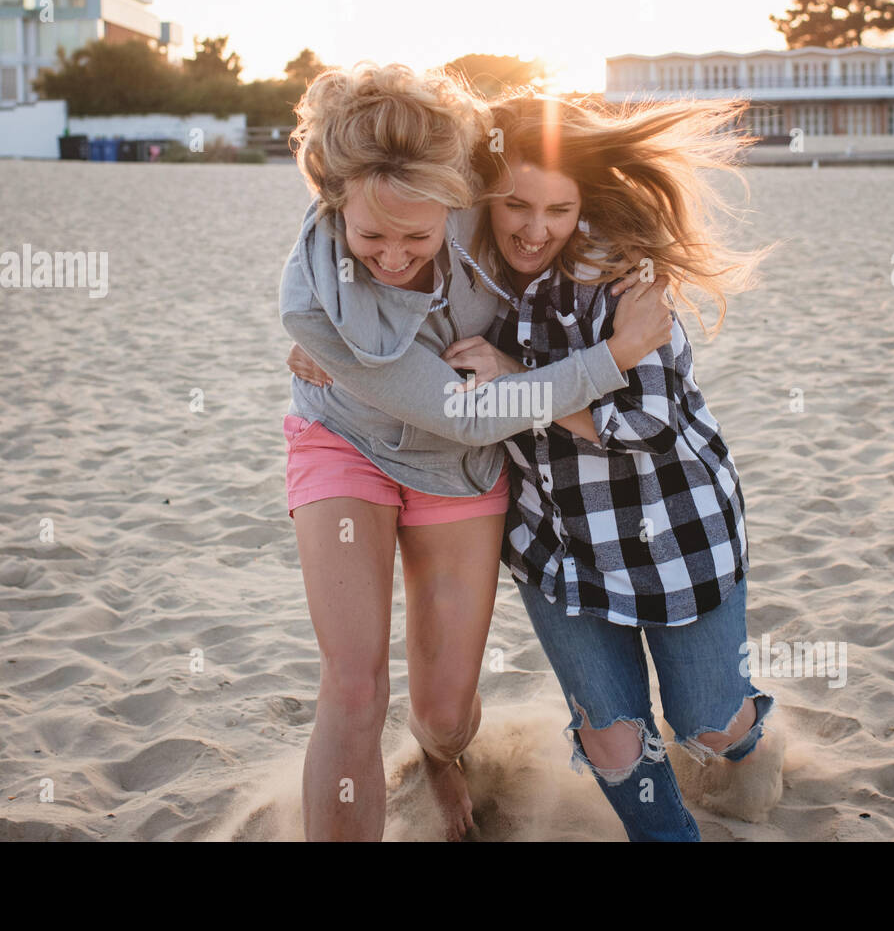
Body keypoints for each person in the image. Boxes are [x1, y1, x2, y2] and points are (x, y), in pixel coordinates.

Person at [291, 92, 780, 841]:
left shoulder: (594, 264)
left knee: (701, 726)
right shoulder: (352, 276)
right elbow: (460, 401)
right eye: (516, 205)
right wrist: (327, 343)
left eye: (556, 210)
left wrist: (533, 367)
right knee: (598, 736)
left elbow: (642, 421)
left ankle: (747, 748)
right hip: (492, 511)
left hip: (629, 522)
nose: (533, 228)